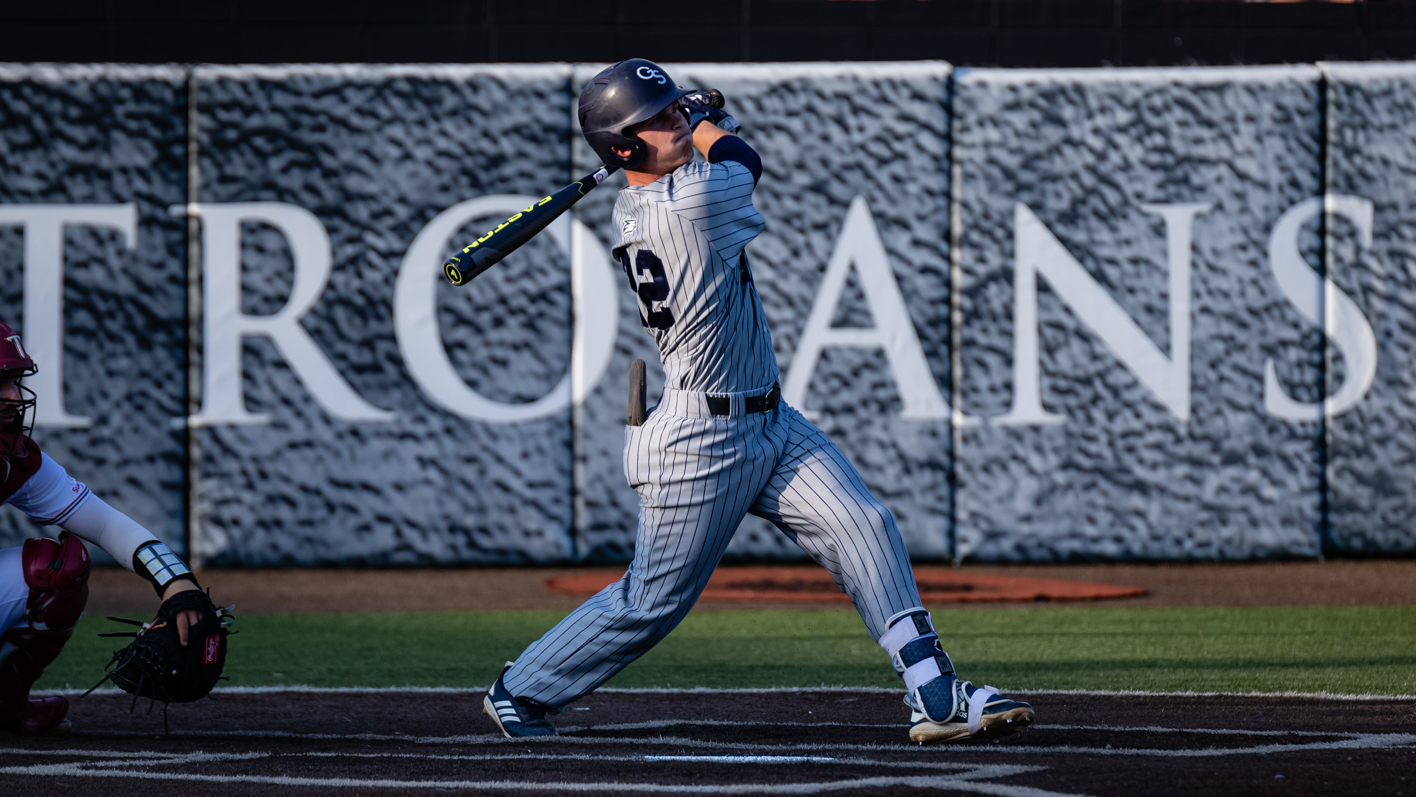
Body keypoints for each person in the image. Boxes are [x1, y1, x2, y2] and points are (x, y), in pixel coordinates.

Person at [482, 59, 1034, 745]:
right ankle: (522, 688)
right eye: (653, 121)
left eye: (671, 110)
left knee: (862, 524)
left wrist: (694, 114)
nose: (673, 121)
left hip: (769, 419)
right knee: (652, 602)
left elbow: (706, 149)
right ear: (621, 150)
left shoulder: (648, 193)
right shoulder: (686, 205)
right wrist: (712, 117)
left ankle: (936, 692)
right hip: (697, 442)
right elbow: (743, 158)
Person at [0, 321, 206, 736]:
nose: (14, 397)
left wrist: (176, 581)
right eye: (1, 383)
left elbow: (105, 522)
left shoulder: (14, 458)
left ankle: (4, 701)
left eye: (14, 382)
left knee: (57, 568)